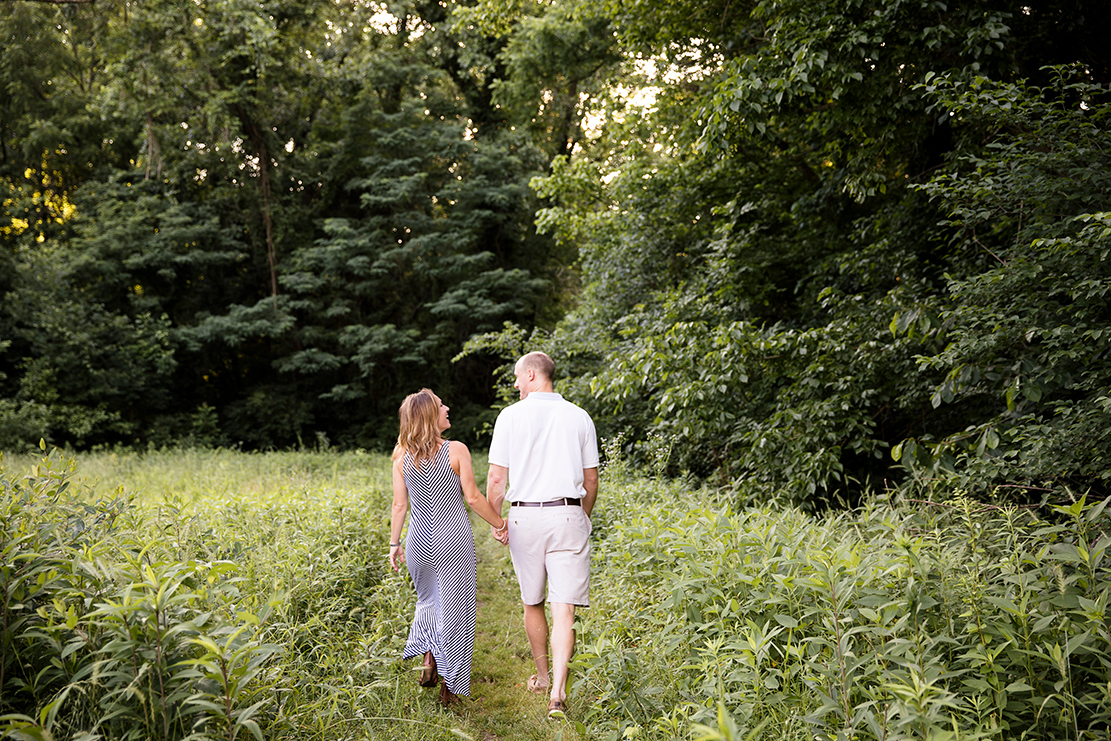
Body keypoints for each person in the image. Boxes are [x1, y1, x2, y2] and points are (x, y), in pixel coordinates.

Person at [486, 351, 599, 719]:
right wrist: (581, 517)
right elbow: (592, 479)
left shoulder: (510, 417)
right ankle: (557, 692)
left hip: (525, 519)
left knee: (532, 601)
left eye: (518, 377)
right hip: (568, 513)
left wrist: (497, 521)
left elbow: (496, 479)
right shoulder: (580, 416)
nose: (516, 384)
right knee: (563, 608)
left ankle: (542, 674)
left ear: (533, 375)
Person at [389, 388, 508, 706]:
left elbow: (400, 506)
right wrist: (500, 523)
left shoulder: (401, 457)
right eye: (442, 406)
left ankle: (429, 657)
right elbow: (472, 497)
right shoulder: (456, 450)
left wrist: (394, 543)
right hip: (451, 542)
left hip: (417, 543)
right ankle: (449, 687)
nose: (448, 408)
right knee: (455, 613)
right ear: (430, 416)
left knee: (428, 603)